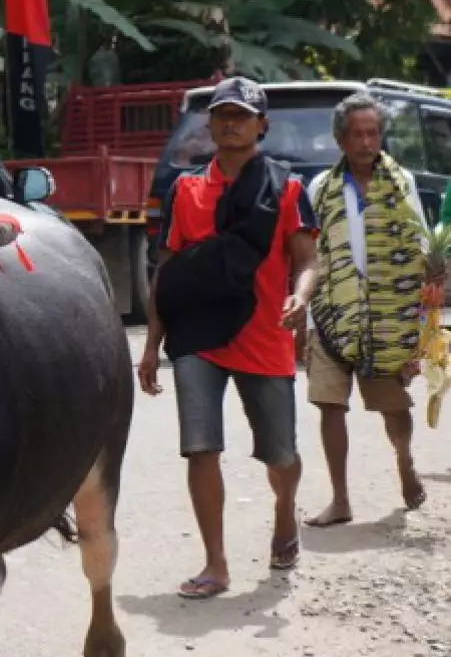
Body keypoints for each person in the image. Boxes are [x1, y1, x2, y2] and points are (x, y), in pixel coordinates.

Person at [138, 76, 319, 599]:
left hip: (264, 333)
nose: (231, 122)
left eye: (242, 115)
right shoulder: (186, 189)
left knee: (280, 454)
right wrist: (152, 343)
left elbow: (307, 260)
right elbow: (167, 270)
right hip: (197, 333)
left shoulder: (285, 188)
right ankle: (215, 564)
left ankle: (286, 513)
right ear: (210, 124)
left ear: (261, 125)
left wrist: (301, 296)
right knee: (200, 448)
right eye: (222, 114)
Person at [302, 92, 440, 527]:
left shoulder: (402, 184)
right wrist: (303, 318)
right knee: (329, 405)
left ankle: (404, 462)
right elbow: (311, 254)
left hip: (389, 316)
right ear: (340, 140)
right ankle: (340, 499)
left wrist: (425, 310)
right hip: (332, 313)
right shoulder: (320, 188)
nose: (366, 142)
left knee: (394, 408)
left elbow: (421, 242)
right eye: (357, 134)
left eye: (373, 133)